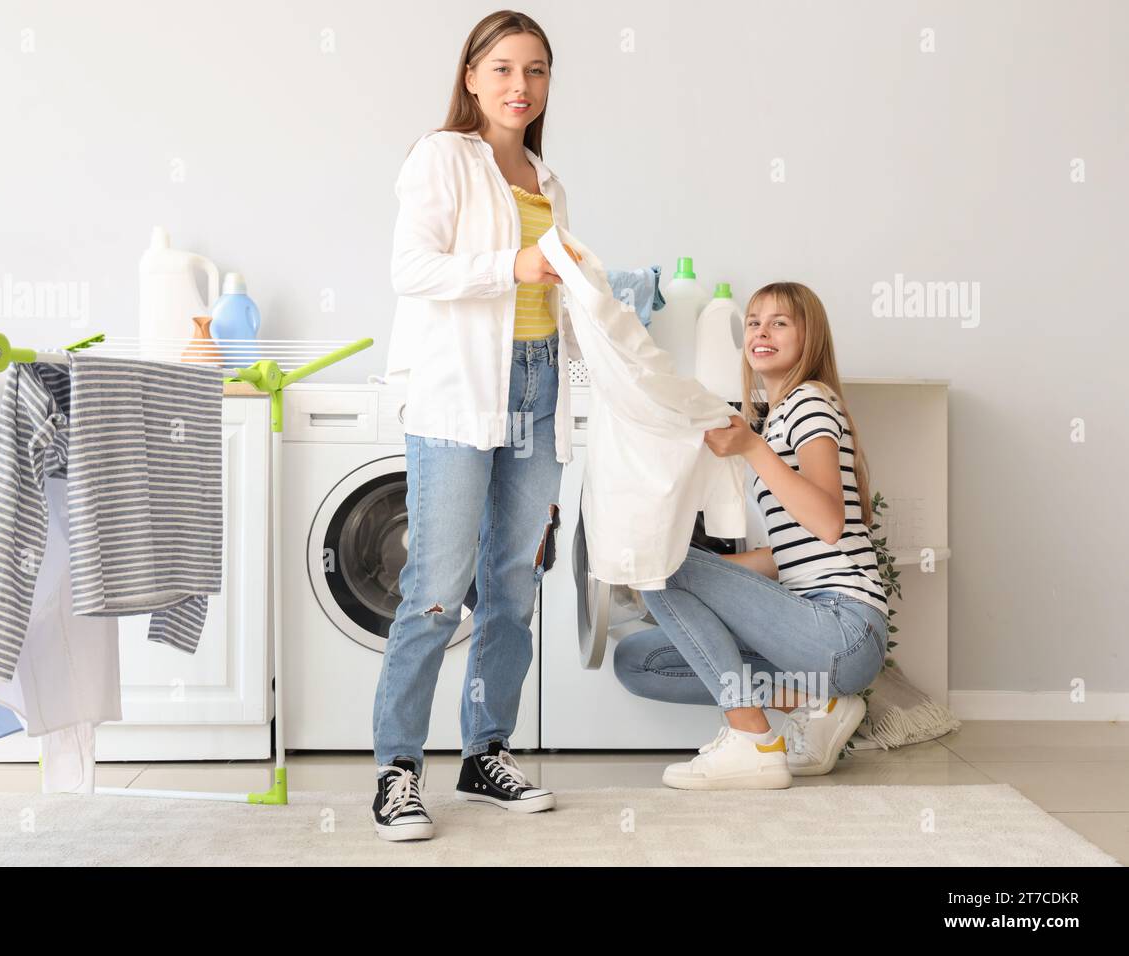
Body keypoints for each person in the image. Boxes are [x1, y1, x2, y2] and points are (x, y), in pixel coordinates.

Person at [372, 10, 581, 841]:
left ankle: (484, 751)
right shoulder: (441, 157)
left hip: (537, 387)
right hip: (458, 394)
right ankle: (397, 770)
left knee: (512, 586)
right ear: (470, 77)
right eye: (501, 69)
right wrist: (513, 265)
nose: (519, 86)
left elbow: (553, 294)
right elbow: (409, 268)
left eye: (534, 71)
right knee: (435, 588)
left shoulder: (545, 177)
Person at [613, 282, 890, 790]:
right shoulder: (777, 414)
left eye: (780, 322)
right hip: (812, 636)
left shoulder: (810, 402)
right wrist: (687, 582)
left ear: (811, 339)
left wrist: (752, 448)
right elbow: (787, 554)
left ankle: (752, 743)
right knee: (638, 660)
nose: (761, 332)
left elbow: (828, 522)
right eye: (755, 322)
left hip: (842, 629)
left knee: (661, 556)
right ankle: (813, 700)